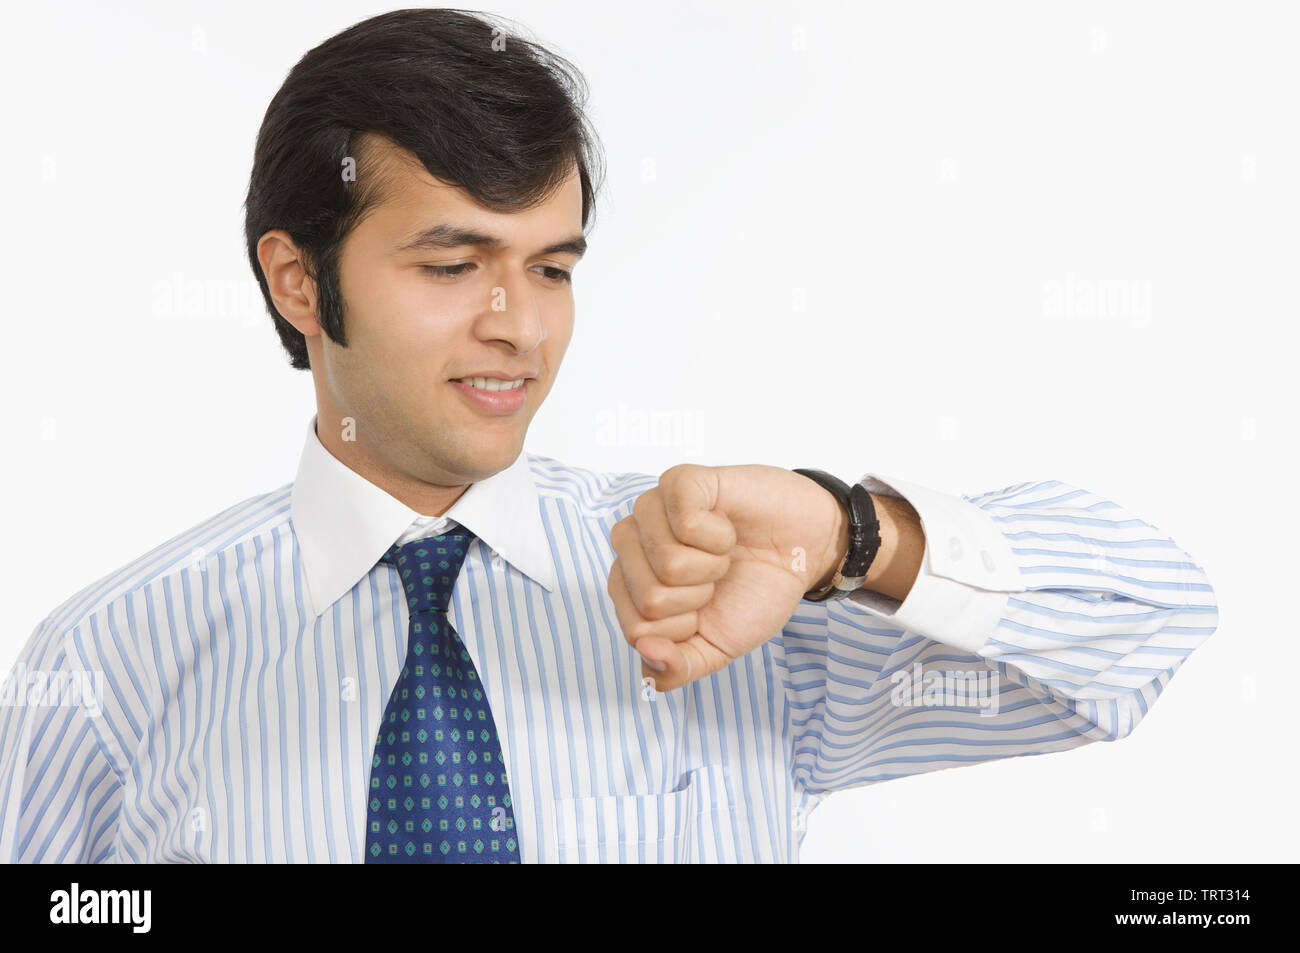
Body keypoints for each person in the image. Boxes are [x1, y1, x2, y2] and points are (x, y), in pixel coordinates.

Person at [0, 8, 1218, 864]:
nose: (515, 326)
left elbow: (1151, 623)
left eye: (550, 267)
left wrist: (853, 532)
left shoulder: (723, 594)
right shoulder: (110, 661)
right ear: (300, 284)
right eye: (451, 262)